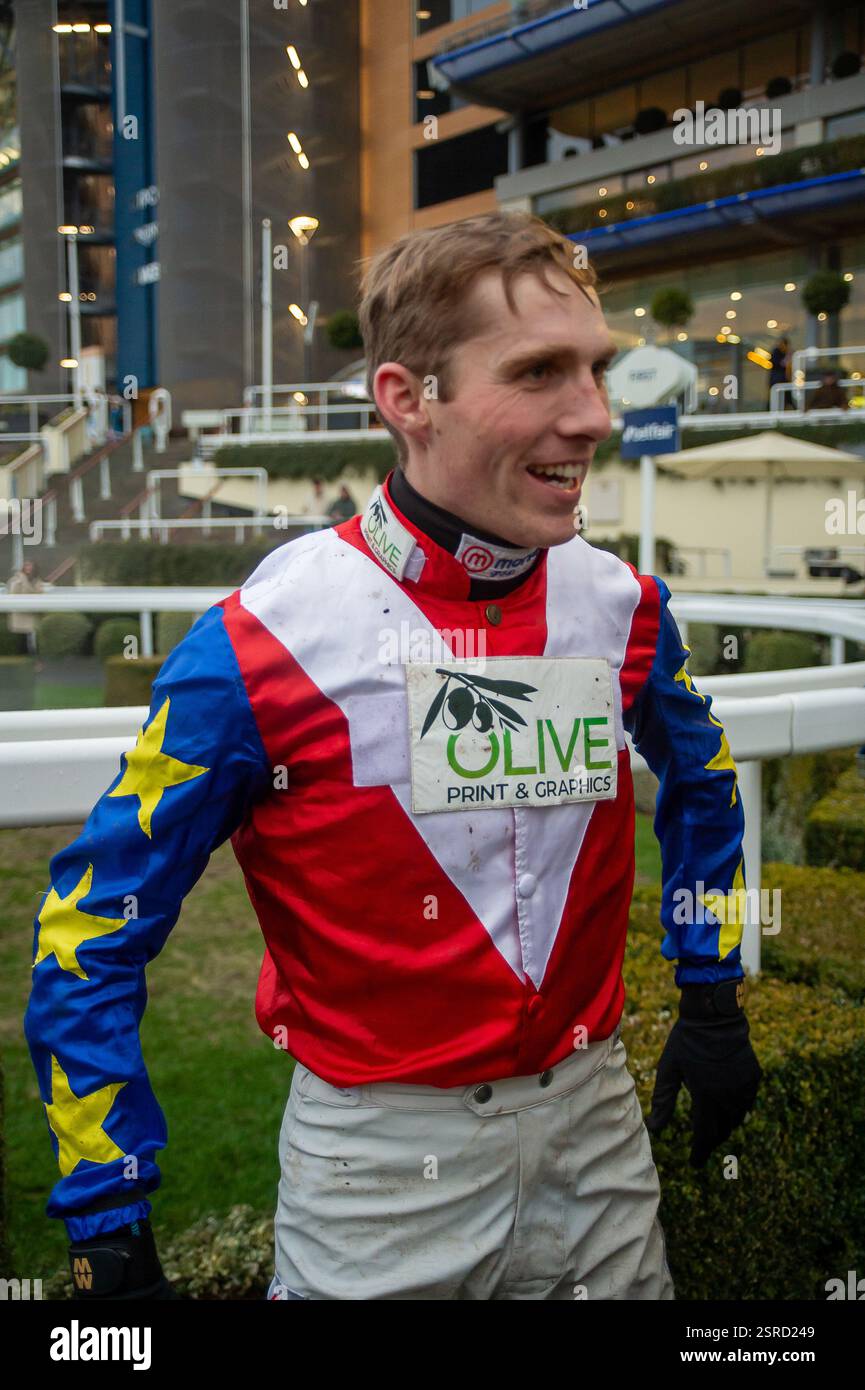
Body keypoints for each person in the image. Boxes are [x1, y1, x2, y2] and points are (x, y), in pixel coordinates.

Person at [25, 211, 761, 1302]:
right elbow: (90, 925)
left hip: (597, 1134)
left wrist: (710, 997)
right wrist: (106, 1212)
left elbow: (704, 789)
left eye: (595, 370)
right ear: (405, 399)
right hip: (374, 1175)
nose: (594, 415)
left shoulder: (625, 605)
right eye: (538, 371)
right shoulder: (259, 640)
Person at [7, 557, 43, 657]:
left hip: (31, 614)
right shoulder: (16, 579)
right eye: (26, 565)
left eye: (30, 565)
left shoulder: (37, 580)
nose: (28, 567)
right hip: (20, 614)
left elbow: (40, 594)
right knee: (20, 640)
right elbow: (12, 593)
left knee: (32, 639)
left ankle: (34, 660)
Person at [767, 335, 790, 410]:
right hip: (777, 380)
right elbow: (777, 364)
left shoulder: (786, 353)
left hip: (782, 380)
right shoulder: (776, 353)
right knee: (775, 398)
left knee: (785, 397)